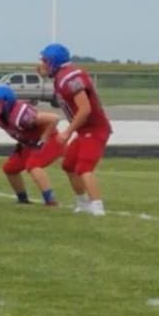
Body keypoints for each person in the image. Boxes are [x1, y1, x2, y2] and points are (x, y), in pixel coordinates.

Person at [38, 43, 112, 216]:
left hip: (95, 128)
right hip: (84, 129)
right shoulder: (61, 76)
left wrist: (67, 131)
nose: (42, 64)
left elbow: (85, 109)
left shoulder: (71, 77)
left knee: (84, 167)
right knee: (69, 164)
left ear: (55, 61)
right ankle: (83, 201)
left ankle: (97, 206)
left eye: (45, 61)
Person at [0, 84, 63, 206]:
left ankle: (50, 200)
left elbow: (54, 118)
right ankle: (22, 199)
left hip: (50, 139)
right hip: (29, 143)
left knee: (33, 165)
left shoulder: (21, 115)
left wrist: (43, 139)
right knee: (10, 169)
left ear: (7, 102)